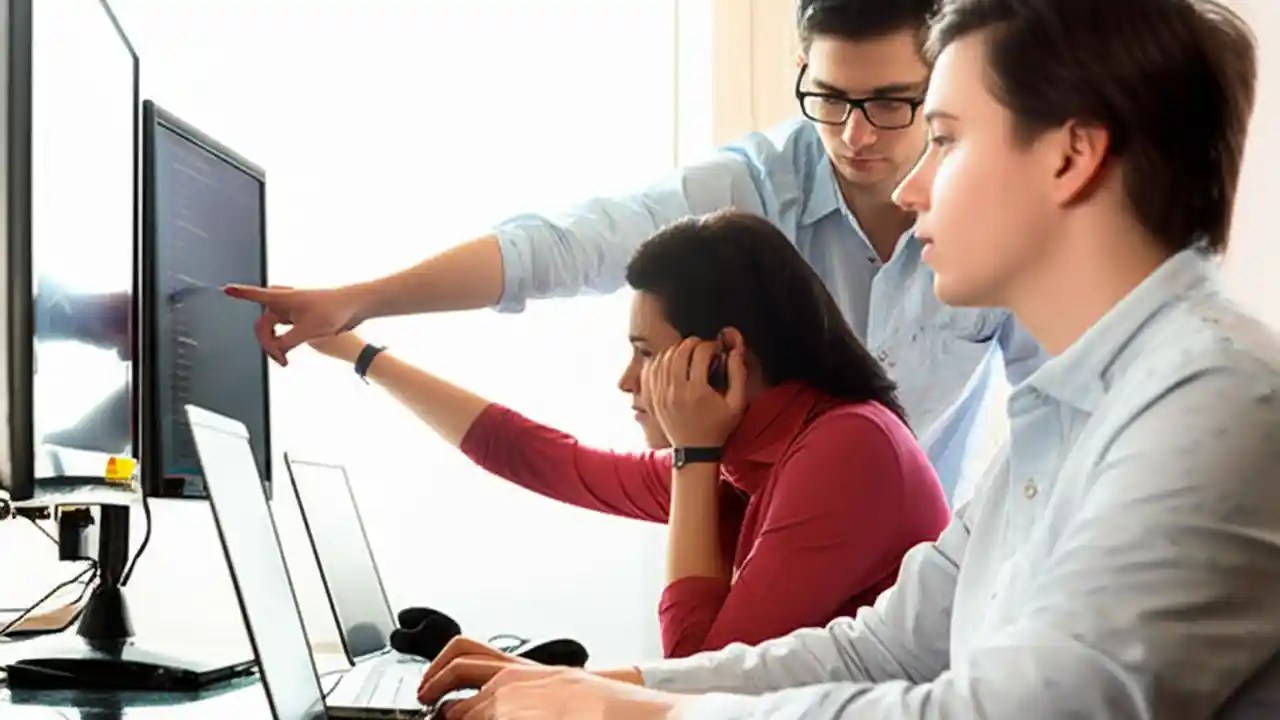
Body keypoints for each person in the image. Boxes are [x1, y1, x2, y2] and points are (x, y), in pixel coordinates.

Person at [413, 0, 1280, 717]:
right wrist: (606, 684)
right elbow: (885, 646)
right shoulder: (1059, 418)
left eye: (942, 137)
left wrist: (634, 711)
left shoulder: (1213, 404)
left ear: (1070, 155)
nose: (909, 186)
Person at [226, 0, 1047, 503]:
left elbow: (1056, 413)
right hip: (776, 566)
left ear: (942, 84)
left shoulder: (999, 210)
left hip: (925, 578)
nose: (855, 134)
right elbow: (566, 249)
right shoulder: (753, 190)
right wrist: (361, 312)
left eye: (891, 103)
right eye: (828, 99)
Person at [307, 210, 950, 659]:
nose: (626, 380)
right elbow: (543, 459)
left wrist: (692, 453)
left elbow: (698, 676)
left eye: (645, 352)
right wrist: (364, 355)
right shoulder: (756, 455)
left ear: (723, 355)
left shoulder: (847, 449)